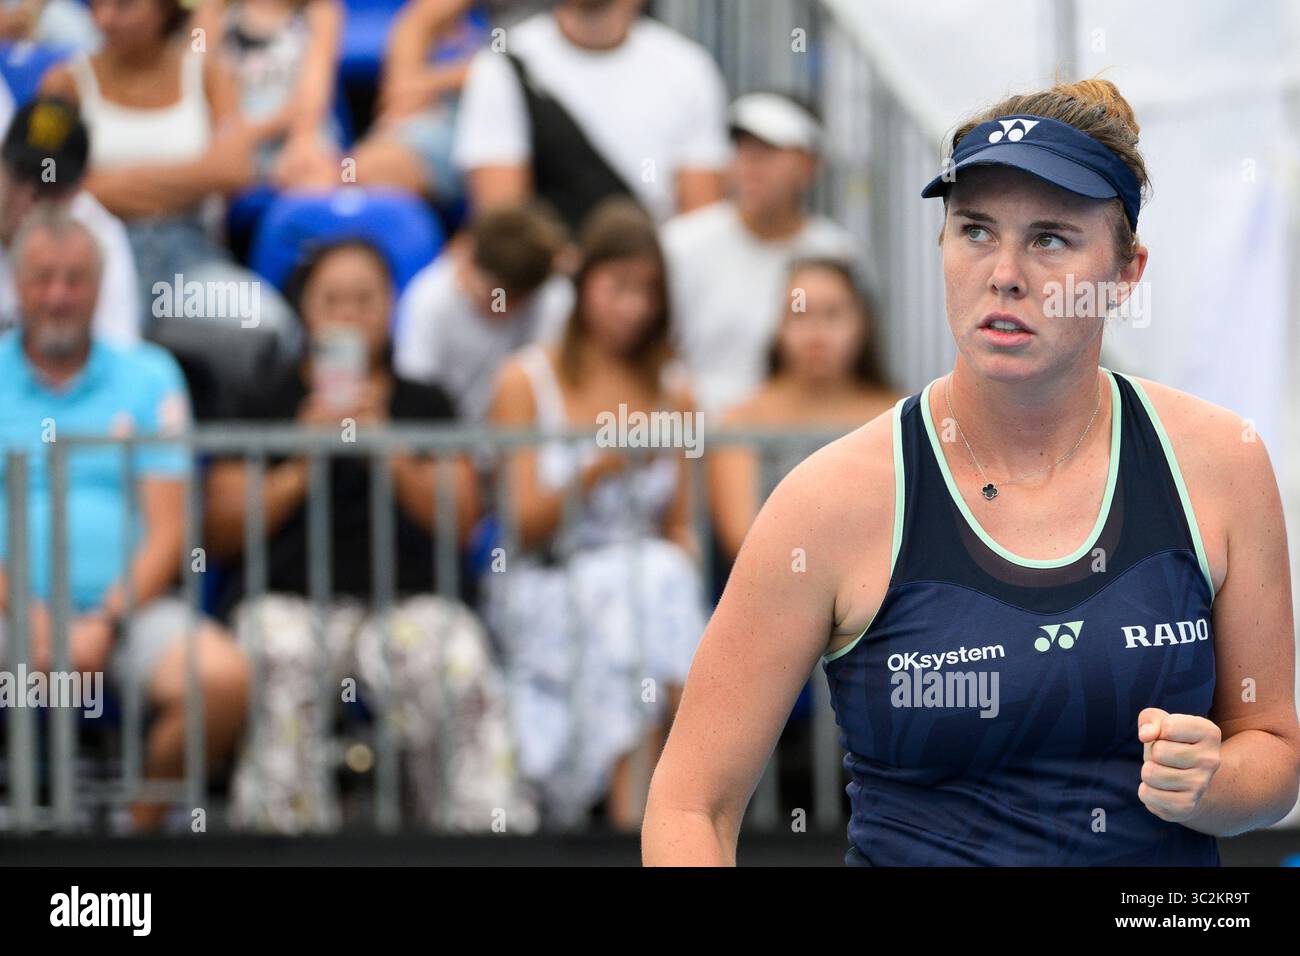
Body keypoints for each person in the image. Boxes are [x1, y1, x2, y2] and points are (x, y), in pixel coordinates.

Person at [644, 78, 1300, 865]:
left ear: (1126, 273)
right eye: (976, 230)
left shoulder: (1220, 460)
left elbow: (1273, 752)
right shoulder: (833, 500)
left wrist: (1215, 783)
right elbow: (689, 806)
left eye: (1051, 238)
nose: (1005, 273)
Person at [203, 238, 531, 833]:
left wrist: (390, 449)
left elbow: (462, 520)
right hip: (290, 602)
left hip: (407, 603)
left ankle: (481, 839)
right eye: (333, 299)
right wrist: (302, 460)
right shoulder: (264, 397)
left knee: (455, 656)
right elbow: (220, 527)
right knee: (280, 654)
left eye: (365, 299)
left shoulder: (425, 401)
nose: (349, 314)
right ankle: (282, 843)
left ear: (390, 308)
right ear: (307, 309)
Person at [0, 206, 249, 832]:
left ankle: (126, 840)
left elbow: (169, 529)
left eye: (75, 279)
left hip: (129, 613)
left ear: (100, 287)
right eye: (43, 278)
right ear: (17, 284)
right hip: (8, 611)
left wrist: (102, 622)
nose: (59, 295)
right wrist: (30, 615)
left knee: (219, 681)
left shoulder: (150, 377)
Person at [484, 198, 706, 830]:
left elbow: (681, 524)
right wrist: (603, 462)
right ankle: (646, 820)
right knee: (639, 590)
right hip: (548, 579)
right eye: (619, 287)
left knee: (658, 580)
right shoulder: (525, 381)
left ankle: (644, 812)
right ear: (583, 284)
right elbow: (520, 525)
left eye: (649, 291)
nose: (634, 307)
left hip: (649, 589)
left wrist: (681, 558)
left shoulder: (677, 388)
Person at [40, 0, 295, 343]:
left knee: (272, 332)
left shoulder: (208, 72)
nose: (105, 20)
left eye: (123, 7)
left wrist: (105, 183)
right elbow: (46, 181)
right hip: (96, 265)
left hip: (190, 260)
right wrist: (189, 180)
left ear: (164, 9)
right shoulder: (62, 82)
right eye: (97, 4)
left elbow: (235, 169)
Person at [661, 91, 859, 418]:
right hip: (698, 441)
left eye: (768, 151)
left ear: (809, 164)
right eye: (743, 149)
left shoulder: (839, 252)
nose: (751, 164)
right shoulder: (680, 244)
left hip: (800, 444)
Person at [453, 0, 729, 230]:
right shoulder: (503, 63)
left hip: (651, 276)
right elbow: (504, 223)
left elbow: (700, 222)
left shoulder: (689, 68)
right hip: (545, 278)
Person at [709, 257, 900, 565]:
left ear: (862, 324)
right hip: (775, 587)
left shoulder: (897, 415)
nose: (816, 332)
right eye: (800, 314)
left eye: (833, 314)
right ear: (779, 326)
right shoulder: (741, 420)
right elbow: (739, 535)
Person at [392, 199, 572, 423]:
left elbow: (554, 396)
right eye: (492, 294)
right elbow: (416, 394)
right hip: (444, 441)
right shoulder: (428, 299)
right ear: (466, 259)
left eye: (514, 299)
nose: (501, 309)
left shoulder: (555, 299)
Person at [0, 96, 141, 343]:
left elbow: (117, 350)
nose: (29, 198)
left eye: (49, 186)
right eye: (21, 177)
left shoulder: (99, 237)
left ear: (79, 187)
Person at [193, 0, 343, 188]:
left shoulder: (321, 11)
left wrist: (301, 141)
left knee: (314, 169)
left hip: (295, 128)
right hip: (230, 126)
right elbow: (197, 70)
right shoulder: (214, 9)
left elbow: (313, 90)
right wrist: (238, 138)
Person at [350, 0, 489, 200]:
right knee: (348, 172)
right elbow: (417, 22)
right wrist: (403, 93)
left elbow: (510, 63)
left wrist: (428, 83)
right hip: (440, 112)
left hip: (494, 117)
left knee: (368, 170)